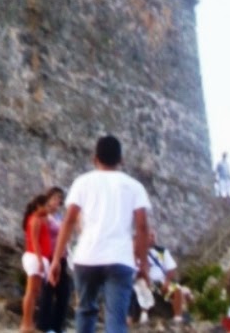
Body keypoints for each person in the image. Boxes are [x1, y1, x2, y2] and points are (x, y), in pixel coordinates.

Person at [48, 135, 151, 333]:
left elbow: (68, 221)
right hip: (120, 258)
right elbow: (142, 227)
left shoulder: (82, 182)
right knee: (116, 319)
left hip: (87, 256)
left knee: (85, 311)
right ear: (121, 160)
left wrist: (55, 259)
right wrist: (143, 263)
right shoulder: (134, 186)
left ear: (95, 158)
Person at [130, 230, 185, 324]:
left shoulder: (161, 251)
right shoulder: (135, 253)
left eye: (153, 236)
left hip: (161, 282)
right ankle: (143, 315)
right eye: (149, 236)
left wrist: (167, 281)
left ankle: (177, 317)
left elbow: (171, 268)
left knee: (176, 289)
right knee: (142, 285)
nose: (152, 238)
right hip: (143, 282)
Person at [37, 186, 72, 333]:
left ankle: (58, 325)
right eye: (55, 198)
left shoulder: (60, 218)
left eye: (59, 199)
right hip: (48, 256)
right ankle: (44, 325)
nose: (58, 201)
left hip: (61, 257)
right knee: (47, 291)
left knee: (64, 292)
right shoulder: (43, 216)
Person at [20, 193, 50, 332]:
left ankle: (29, 323)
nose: (48, 209)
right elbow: (34, 241)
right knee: (31, 292)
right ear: (39, 206)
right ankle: (26, 324)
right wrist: (39, 260)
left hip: (36, 256)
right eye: (46, 206)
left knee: (34, 291)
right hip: (34, 256)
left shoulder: (38, 219)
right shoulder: (35, 220)